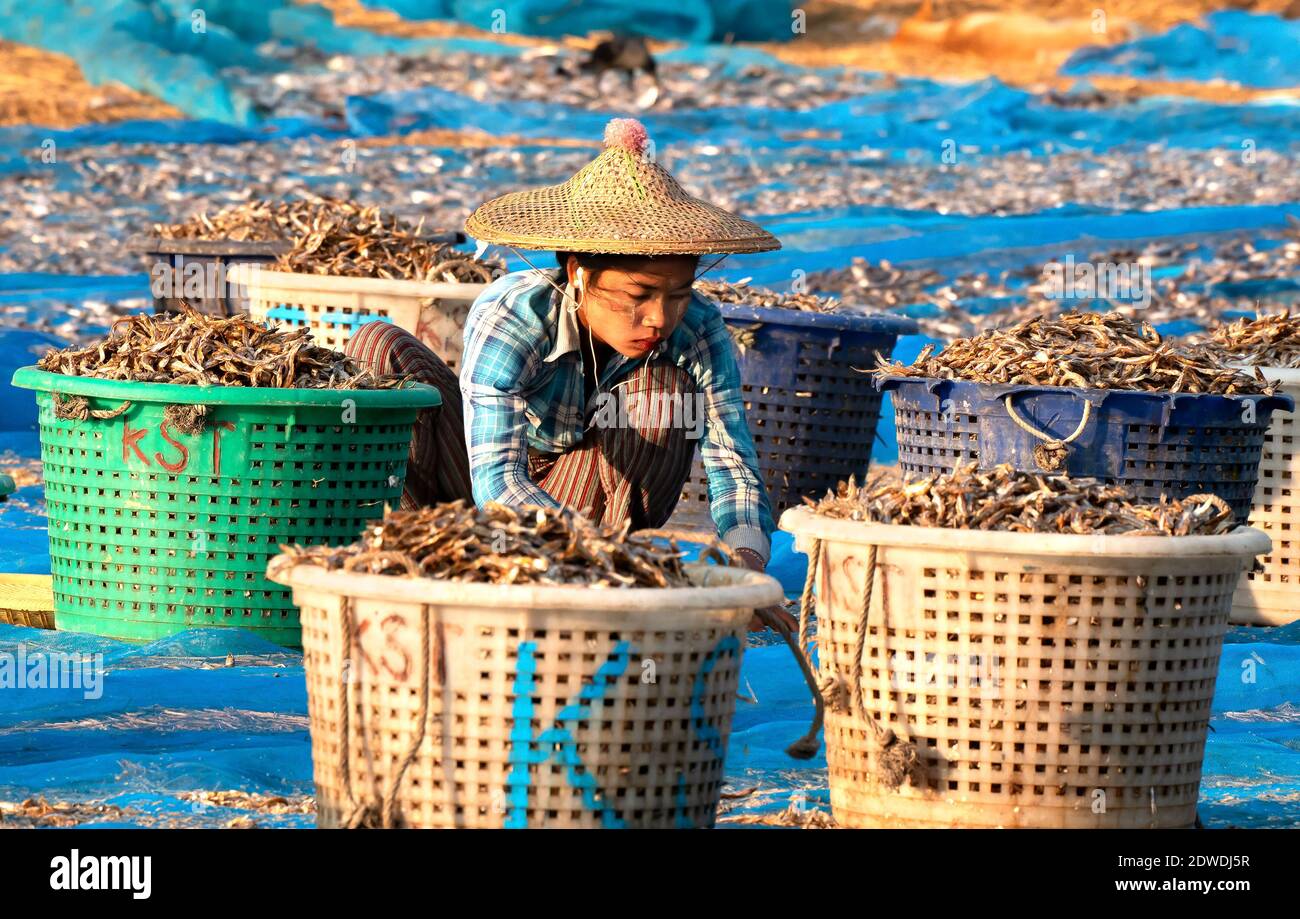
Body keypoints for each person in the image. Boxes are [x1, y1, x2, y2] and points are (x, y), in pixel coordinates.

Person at [346, 118, 790, 627]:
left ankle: (583, 586)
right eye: (637, 295)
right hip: (476, 483)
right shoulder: (514, 315)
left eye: (678, 293)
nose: (659, 318)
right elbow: (497, 478)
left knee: (661, 394)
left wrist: (748, 569)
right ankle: (411, 559)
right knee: (378, 347)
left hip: (580, 497)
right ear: (578, 274)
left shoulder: (697, 329)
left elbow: (731, 460)